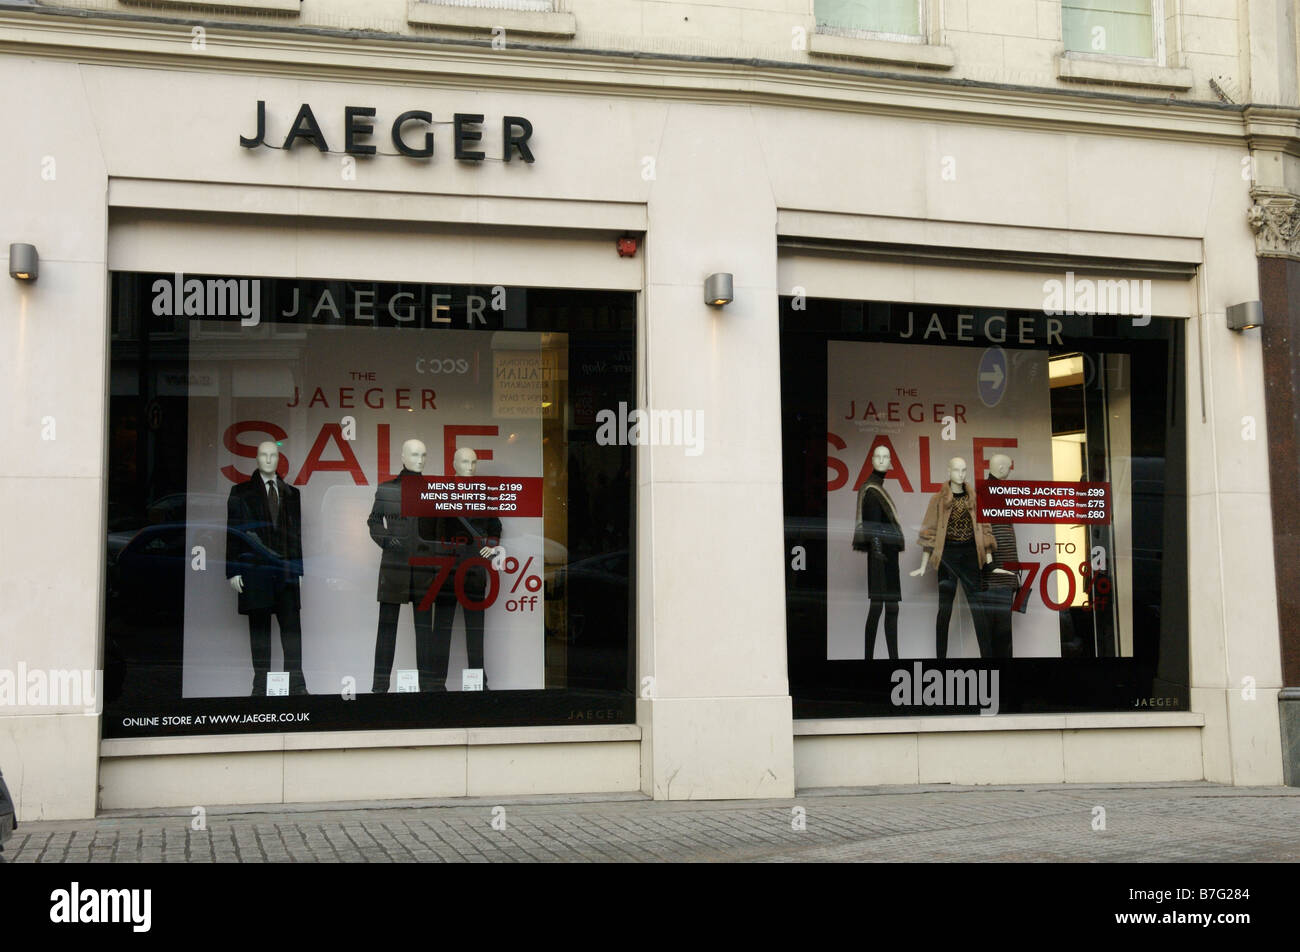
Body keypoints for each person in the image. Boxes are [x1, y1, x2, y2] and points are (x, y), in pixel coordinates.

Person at [226, 441, 307, 696]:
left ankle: (296, 683)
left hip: (285, 571)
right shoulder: (240, 492)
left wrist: (299, 569)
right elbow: (233, 533)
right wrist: (233, 570)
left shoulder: (292, 494)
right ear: (257, 458)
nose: (269, 459)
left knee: (291, 628)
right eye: (264, 455)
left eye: (273, 455)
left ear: (278, 459)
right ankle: (261, 683)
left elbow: (295, 534)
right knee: (259, 629)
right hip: (255, 569)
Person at [911, 457, 997, 659]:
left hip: (970, 556)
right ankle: (940, 657)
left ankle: (988, 657)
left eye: (964, 470)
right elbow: (929, 532)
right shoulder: (938, 500)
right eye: (957, 470)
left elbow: (985, 530)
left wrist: (990, 561)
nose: (961, 474)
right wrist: (924, 565)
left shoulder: (974, 499)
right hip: (947, 555)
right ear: (949, 471)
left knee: (978, 608)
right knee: (944, 610)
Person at [853, 445, 905, 659]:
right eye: (878, 456)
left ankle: (892, 658)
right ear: (872, 460)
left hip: (887, 555)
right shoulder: (872, 490)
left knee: (889, 608)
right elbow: (872, 527)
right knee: (879, 608)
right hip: (881, 556)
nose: (882, 460)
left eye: (886, 457)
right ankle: (872, 658)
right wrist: (877, 553)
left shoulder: (877, 488)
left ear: (891, 462)